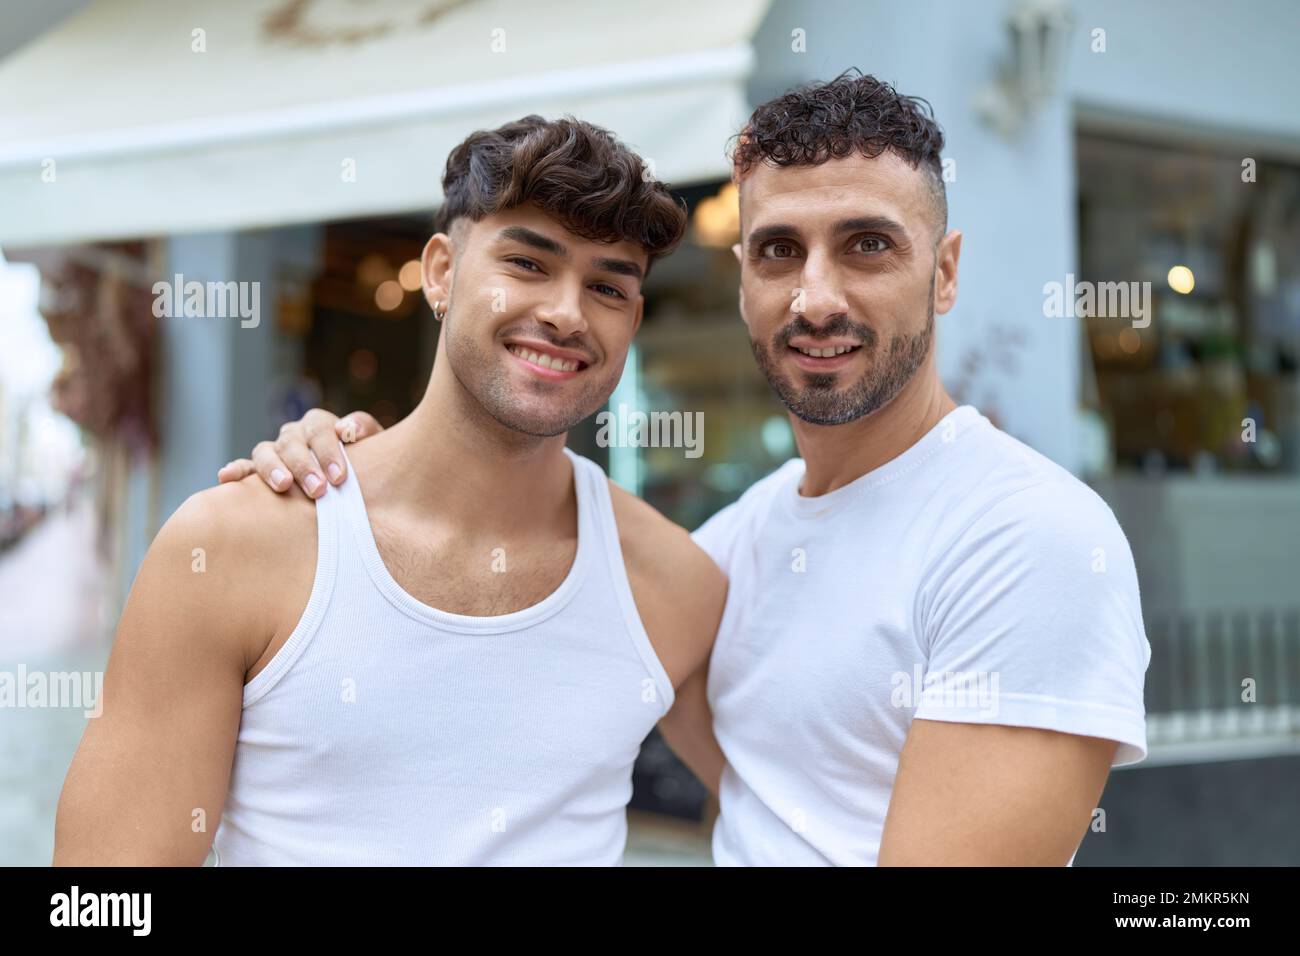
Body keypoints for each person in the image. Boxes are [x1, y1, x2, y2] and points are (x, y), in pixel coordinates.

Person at [224, 71, 1151, 866]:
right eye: (781, 251)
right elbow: (757, 808)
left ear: (944, 274)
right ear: (744, 275)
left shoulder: (1030, 536)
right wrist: (347, 469)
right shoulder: (728, 550)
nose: (816, 296)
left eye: (868, 245)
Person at [53, 116, 729, 865]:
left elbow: (806, 806)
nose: (568, 313)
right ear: (441, 271)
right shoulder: (235, 545)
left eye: (606, 285)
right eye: (529, 264)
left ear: (631, 319)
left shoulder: (674, 585)